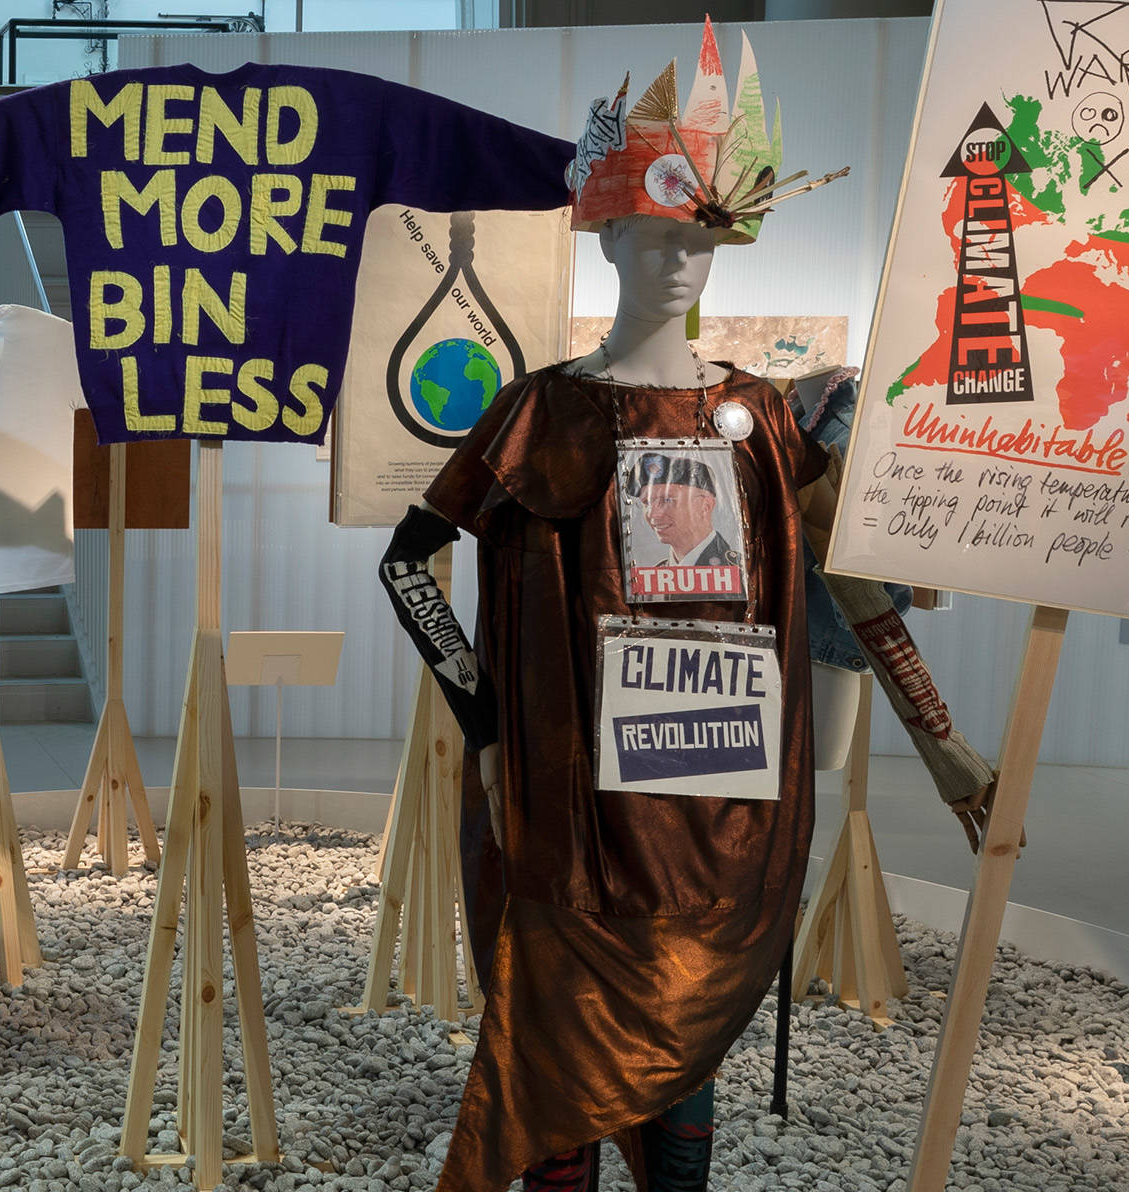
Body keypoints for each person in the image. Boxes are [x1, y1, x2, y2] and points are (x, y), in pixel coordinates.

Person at [376, 22, 847, 1192]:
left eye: (698, 239)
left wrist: (930, 737)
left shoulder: (759, 417)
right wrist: (486, 723)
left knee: (686, 1022)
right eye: (652, 238)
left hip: (710, 794)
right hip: (565, 802)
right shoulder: (542, 410)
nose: (678, 262)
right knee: (553, 1036)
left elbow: (837, 575)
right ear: (610, 243)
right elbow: (407, 564)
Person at [631, 452, 735, 568]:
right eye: (647, 502)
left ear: (705, 506)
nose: (653, 514)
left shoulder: (735, 570)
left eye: (667, 500)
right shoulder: (656, 573)